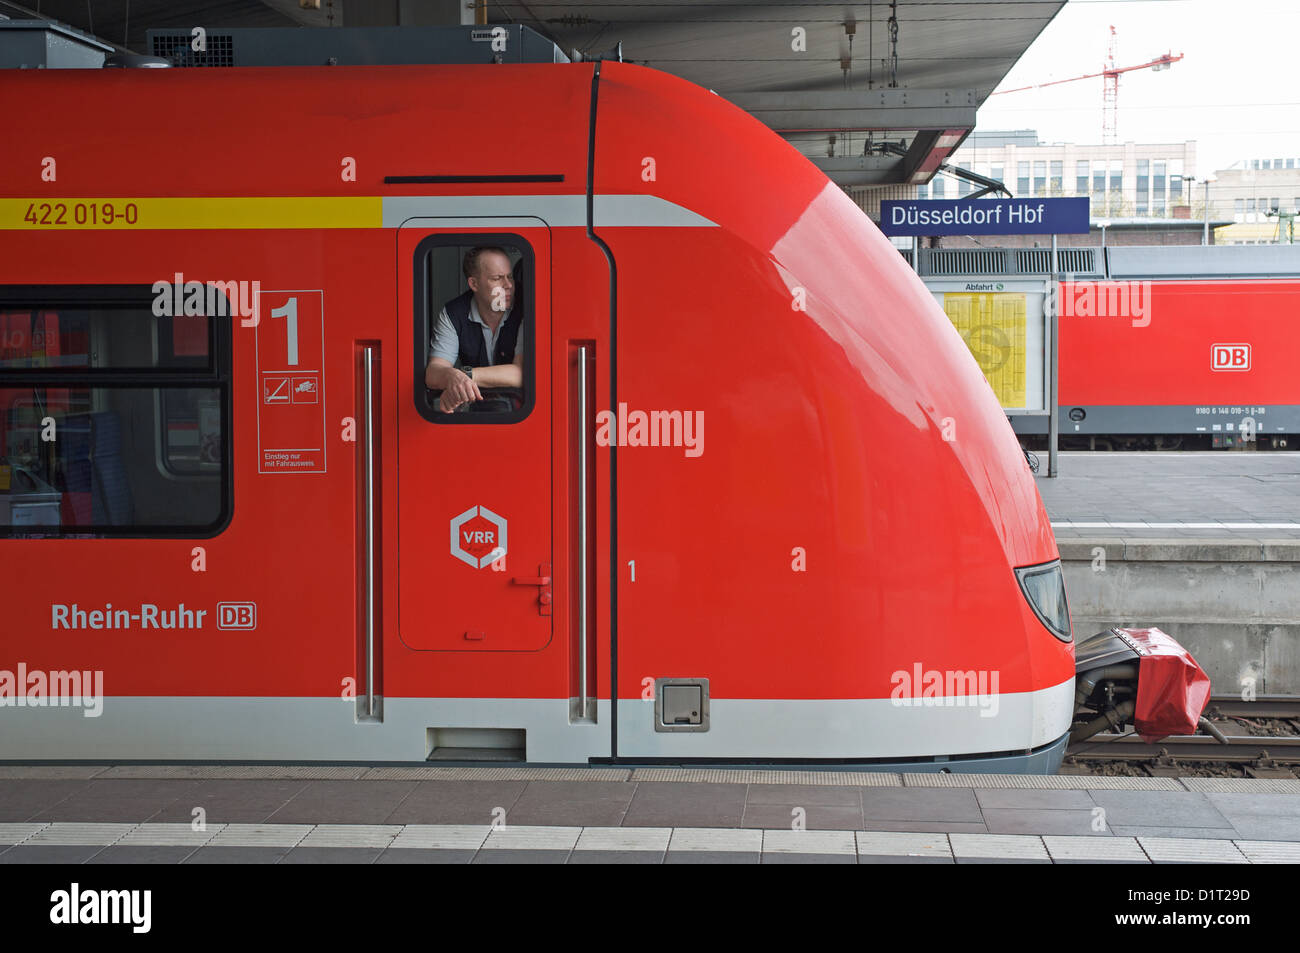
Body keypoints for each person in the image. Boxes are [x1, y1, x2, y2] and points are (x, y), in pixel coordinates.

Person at [424, 246, 524, 412]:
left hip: (523, 414)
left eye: (510, 277)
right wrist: (452, 377)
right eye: (497, 278)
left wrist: (464, 375)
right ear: (474, 284)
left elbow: (520, 373)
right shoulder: (453, 313)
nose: (508, 285)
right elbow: (433, 373)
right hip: (477, 413)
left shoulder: (525, 307)